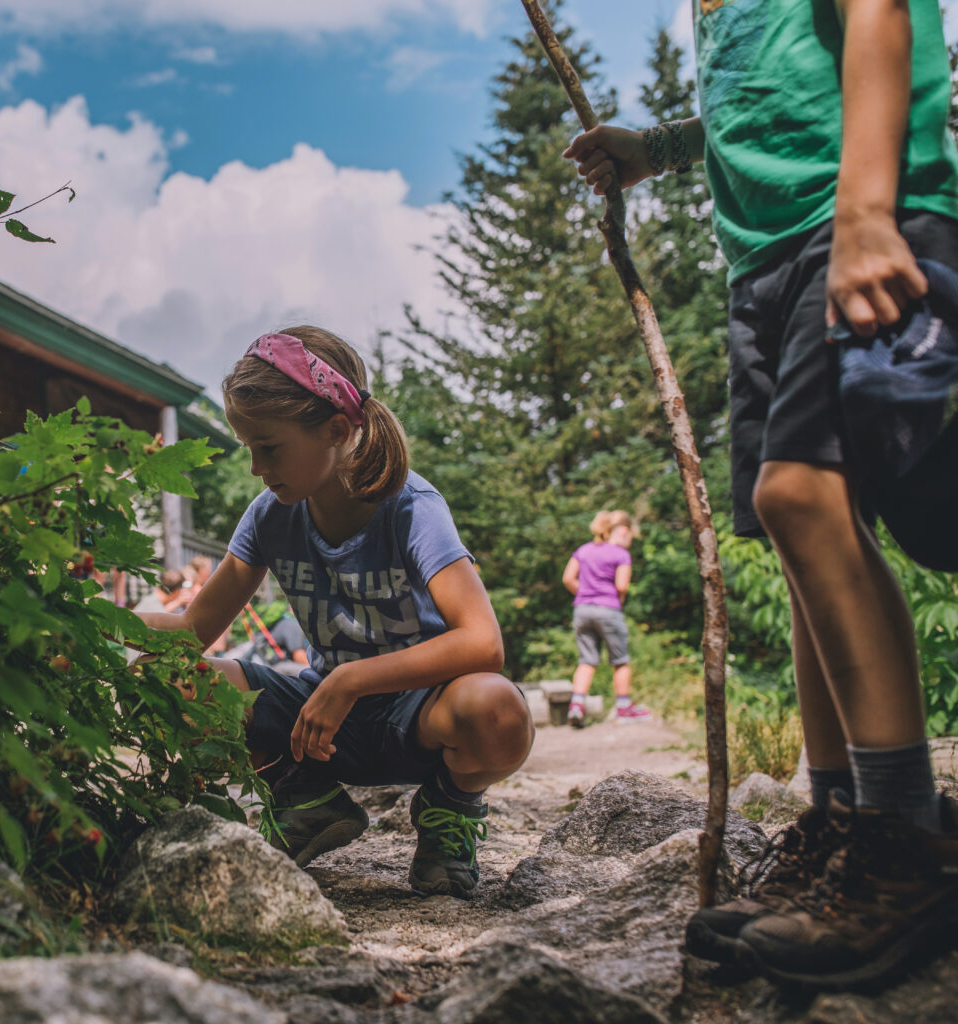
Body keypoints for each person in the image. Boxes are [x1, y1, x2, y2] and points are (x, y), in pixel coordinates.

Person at [563, 0, 958, 990]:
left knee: (799, 495)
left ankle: (903, 841)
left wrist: (867, 213)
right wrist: (656, 147)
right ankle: (837, 828)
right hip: (763, 262)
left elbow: (879, 15)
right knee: (808, 531)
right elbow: (761, 96)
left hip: (864, 218)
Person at [136, 326, 534, 898]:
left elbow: (482, 643)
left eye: (268, 447)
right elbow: (192, 633)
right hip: (317, 725)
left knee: (498, 709)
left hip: (417, 718)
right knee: (168, 678)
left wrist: (352, 678)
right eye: (248, 447)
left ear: (339, 429)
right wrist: (81, 616)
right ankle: (306, 798)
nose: (255, 467)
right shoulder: (269, 515)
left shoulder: (411, 507)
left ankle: (450, 808)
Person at [561, 510, 650, 727]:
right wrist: (613, 599)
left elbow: (567, 578)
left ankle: (576, 705)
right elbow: (621, 585)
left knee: (586, 660)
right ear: (624, 531)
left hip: (582, 610)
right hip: (608, 609)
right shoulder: (621, 554)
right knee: (620, 660)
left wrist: (585, 594)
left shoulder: (584, 550)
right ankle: (623, 707)